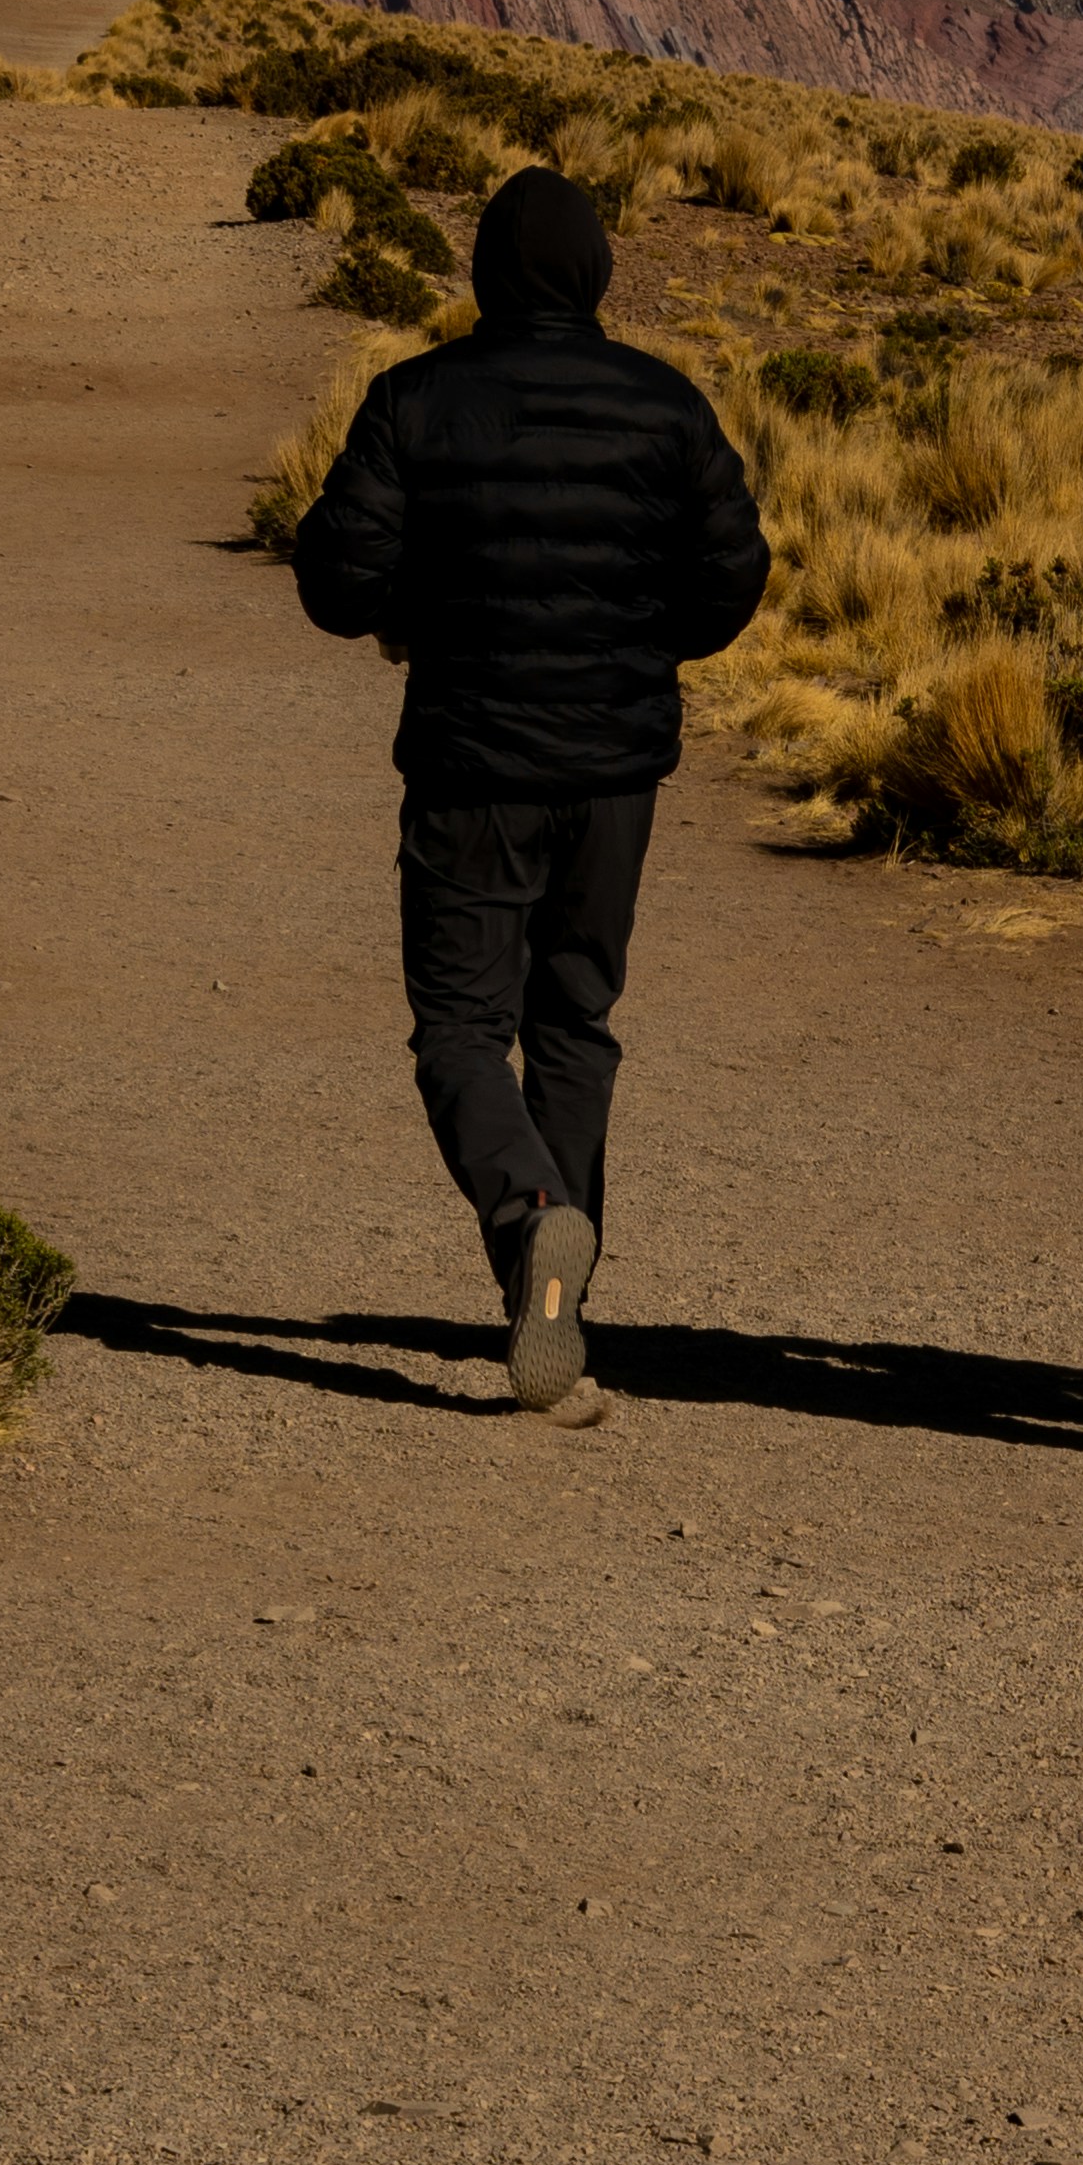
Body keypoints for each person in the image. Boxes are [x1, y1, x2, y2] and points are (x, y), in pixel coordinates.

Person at [288, 163, 769, 1415]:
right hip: (614, 773)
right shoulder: (667, 407)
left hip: (470, 764)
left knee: (459, 1028)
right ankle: (557, 1298)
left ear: (486, 275)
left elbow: (337, 581)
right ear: (599, 273)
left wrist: (416, 616)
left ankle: (535, 1220)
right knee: (573, 1023)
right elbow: (730, 580)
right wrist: (637, 645)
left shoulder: (415, 399)